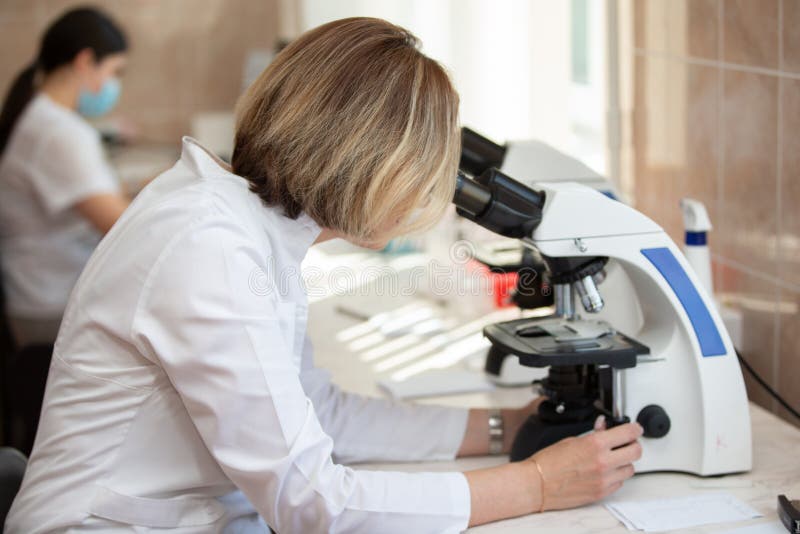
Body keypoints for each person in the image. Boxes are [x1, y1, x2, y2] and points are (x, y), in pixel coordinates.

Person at [6, 17, 642, 533]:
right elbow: (312, 502)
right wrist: (533, 487)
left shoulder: (248, 226)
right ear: (371, 167)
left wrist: (510, 428)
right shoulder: (211, 246)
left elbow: (320, 414)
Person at [0, 7, 130, 347]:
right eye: (115, 72)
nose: (113, 86)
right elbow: (122, 226)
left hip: (39, 295)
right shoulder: (58, 133)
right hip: (50, 305)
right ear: (85, 61)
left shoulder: (42, 117)